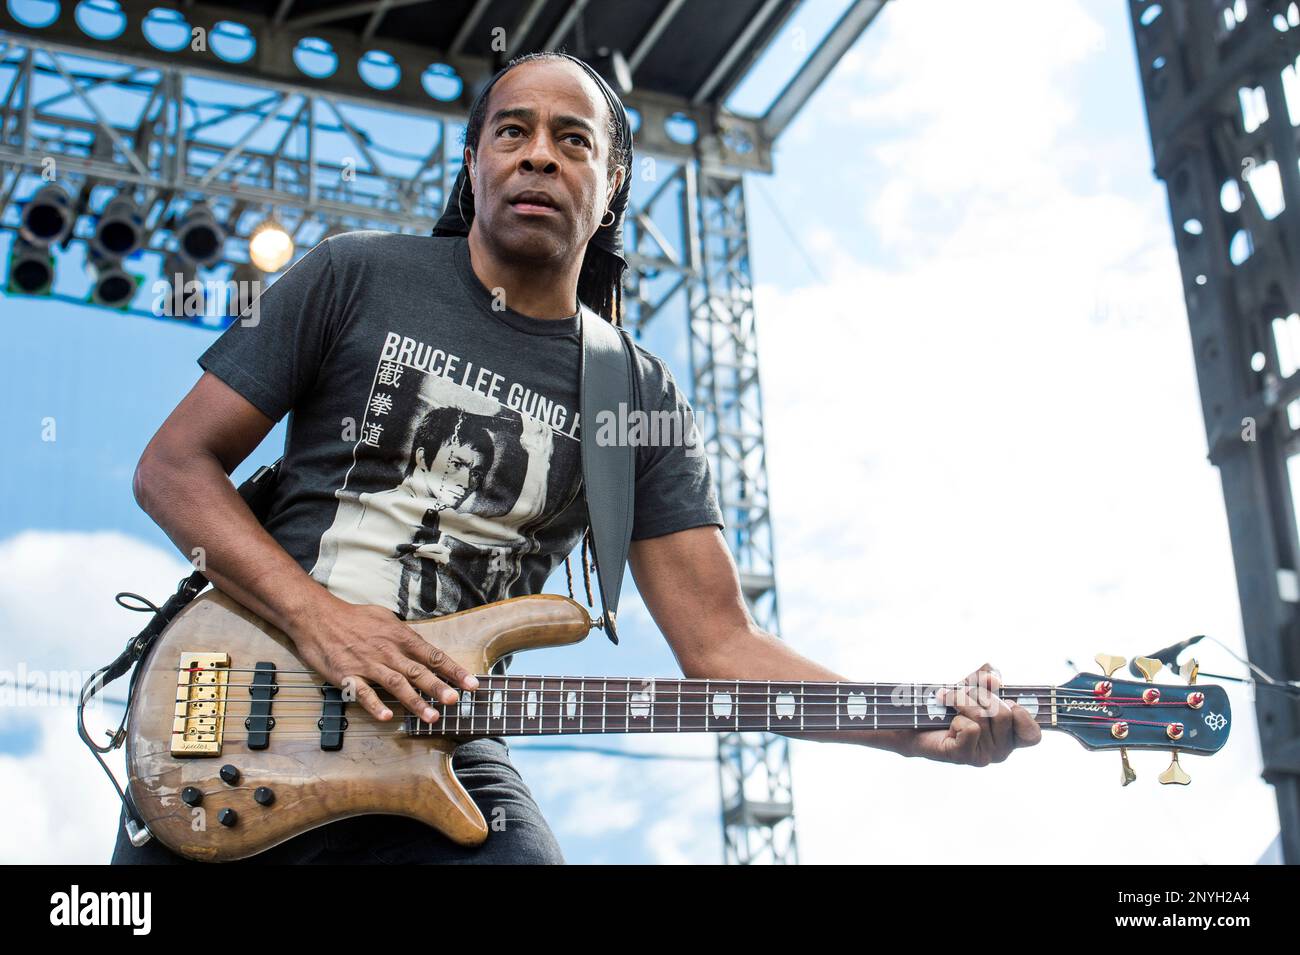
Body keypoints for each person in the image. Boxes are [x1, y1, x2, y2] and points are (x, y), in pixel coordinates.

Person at [117, 51, 1039, 865]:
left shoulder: (635, 396)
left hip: (445, 736)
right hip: (242, 689)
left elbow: (721, 646)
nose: (538, 155)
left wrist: (910, 724)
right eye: (511, 132)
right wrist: (320, 619)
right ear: (474, 163)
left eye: (574, 139)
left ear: (611, 187)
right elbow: (173, 468)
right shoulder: (356, 272)